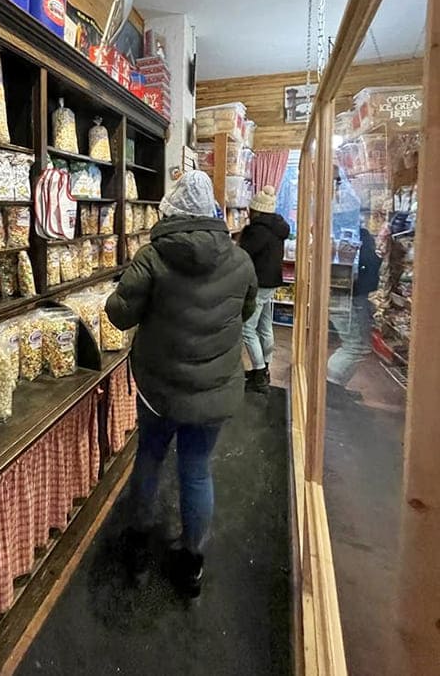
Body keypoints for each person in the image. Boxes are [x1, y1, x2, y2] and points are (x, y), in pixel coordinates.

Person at [105, 171, 257, 597]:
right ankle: (191, 563)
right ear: (211, 210)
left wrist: (117, 292)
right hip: (214, 388)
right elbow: (242, 314)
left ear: (170, 208)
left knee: (150, 458)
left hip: (159, 390)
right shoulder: (240, 260)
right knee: (196, 470)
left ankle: (137, 544)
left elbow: (119, 315)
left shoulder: (151, 258)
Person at [239, 185, 290, 393]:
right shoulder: (279, 229)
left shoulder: (257, 231)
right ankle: (266, 366)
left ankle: (259, 374)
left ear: (255, 210)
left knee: (247, 329)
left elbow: (243, 254)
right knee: (264, 326)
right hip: (271, 283)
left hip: (257, 283)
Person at [327, 224, 381, 401]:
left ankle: (335, 387)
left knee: (356, 345)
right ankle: (331, 387)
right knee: (354, 346)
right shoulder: (360, 243)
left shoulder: (345, 239)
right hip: (349, 297)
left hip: (345, 296)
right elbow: (368, 273)